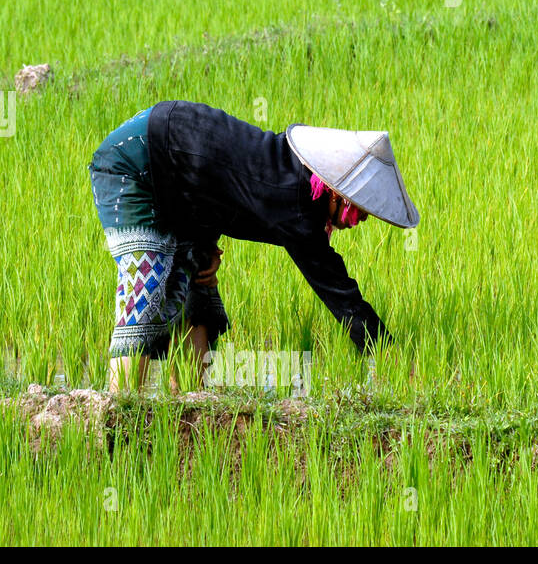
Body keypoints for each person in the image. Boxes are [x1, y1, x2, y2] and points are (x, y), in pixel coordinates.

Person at [88, 101, 419, 393]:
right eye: (360, 205)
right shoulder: (295, 201)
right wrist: (391, 358)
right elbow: (339, 293)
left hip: (182, 181)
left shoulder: (292, 174)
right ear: (335, 190)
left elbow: (222, 176)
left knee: (196, 285)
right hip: (136, 162)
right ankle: (120, 415)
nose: (361, 216)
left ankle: (189, 409)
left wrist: (205, 242)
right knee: (147, 289)